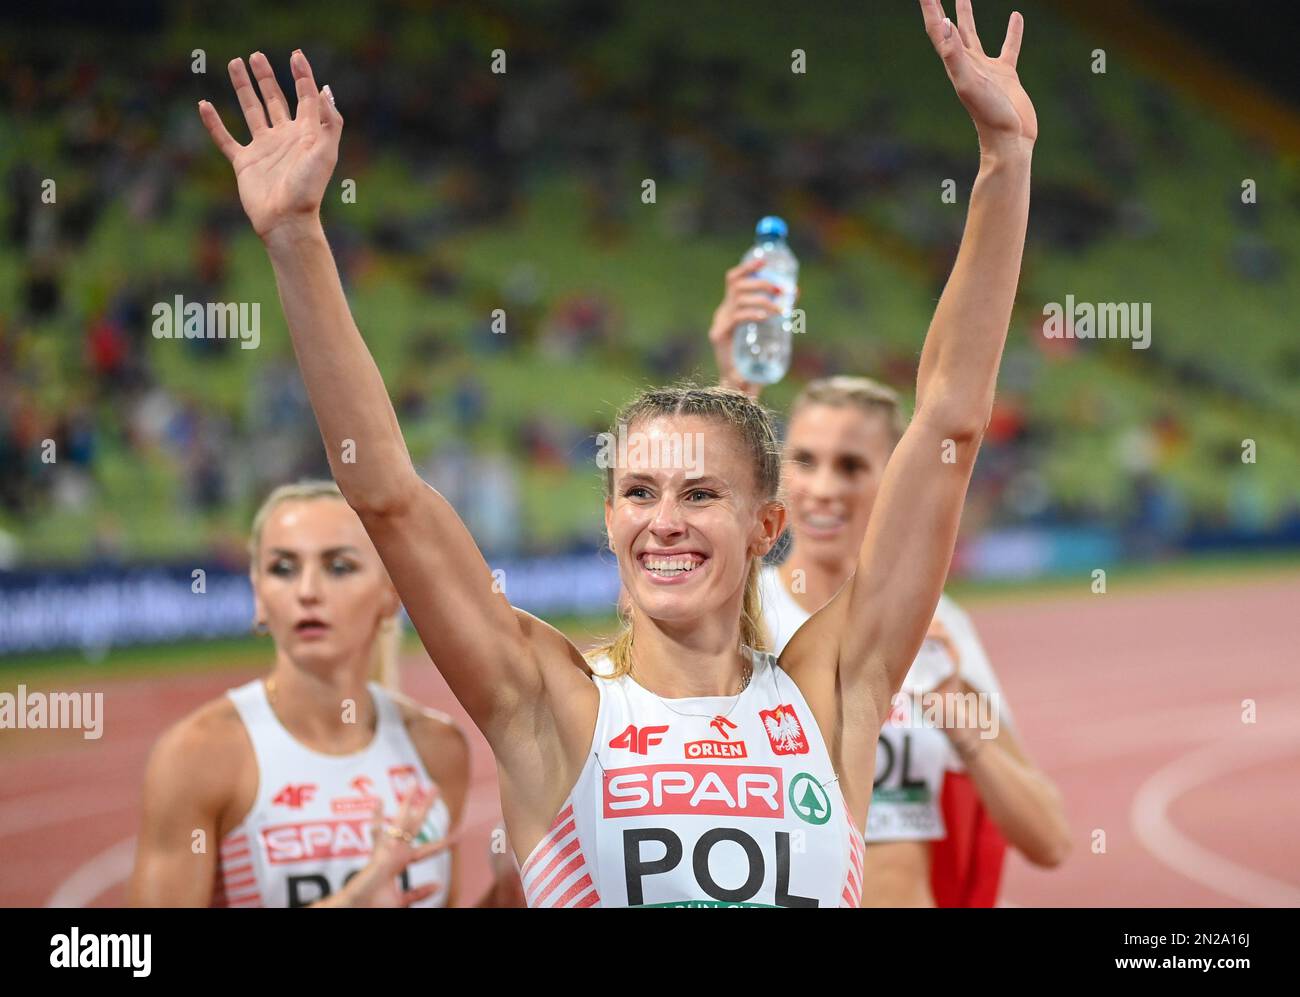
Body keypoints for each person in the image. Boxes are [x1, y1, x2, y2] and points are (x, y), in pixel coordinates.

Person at [197, 0, 1037, 906]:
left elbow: (948, 419)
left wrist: (1003, 162)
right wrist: (296, 240)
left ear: (767, 524)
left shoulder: (833, 691)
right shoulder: (547, 704)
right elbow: (389, 495)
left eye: (699, 493)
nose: (663, 520)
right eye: (638, 490)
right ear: (608, 519)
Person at [710, 258, 1072, 904]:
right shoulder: (739, 608)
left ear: (894, 478)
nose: (823, 487)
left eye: (851, 465)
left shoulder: (938, 626)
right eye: (805, 461)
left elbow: (1050, 840)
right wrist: (737, 383)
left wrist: (964, 726)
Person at [129, 481, 467, 907]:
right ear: (258, 596)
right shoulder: (200, 754)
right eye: (283, 568)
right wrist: (350, 901)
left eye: (339, 567)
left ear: (389, 594)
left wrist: (501, 900)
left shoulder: (437, 748)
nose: (308, 591)